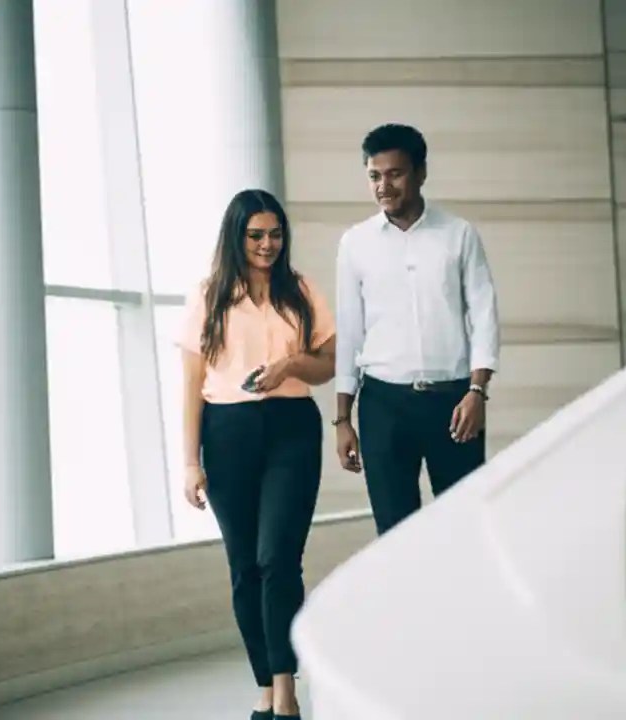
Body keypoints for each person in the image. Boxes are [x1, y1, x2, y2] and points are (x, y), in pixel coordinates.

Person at [178, 188, 336, 720]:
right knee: (245, 566)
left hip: (291, 427)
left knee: (278, 559)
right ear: (236, 237)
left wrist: (291, 365)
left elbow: (328, 365)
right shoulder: (209, 296)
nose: (268, 244)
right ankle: (265, 684)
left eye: (275, 233)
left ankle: (286, 691)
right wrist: (189, 461)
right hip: (226, 432)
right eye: (256, 235)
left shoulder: (301, 291)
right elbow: (191, 386)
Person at [333, 123, 500, 535]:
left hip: (453, 403)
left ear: (420, 173)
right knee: (394, 535)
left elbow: (484, 315)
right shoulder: (354, 243)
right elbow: (350, 331)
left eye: (395, 174)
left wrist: (477, 392)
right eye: (374, 175)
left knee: (464, 527)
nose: (383, 186)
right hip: (383, 406)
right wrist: (342, 419)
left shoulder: (458, 235)